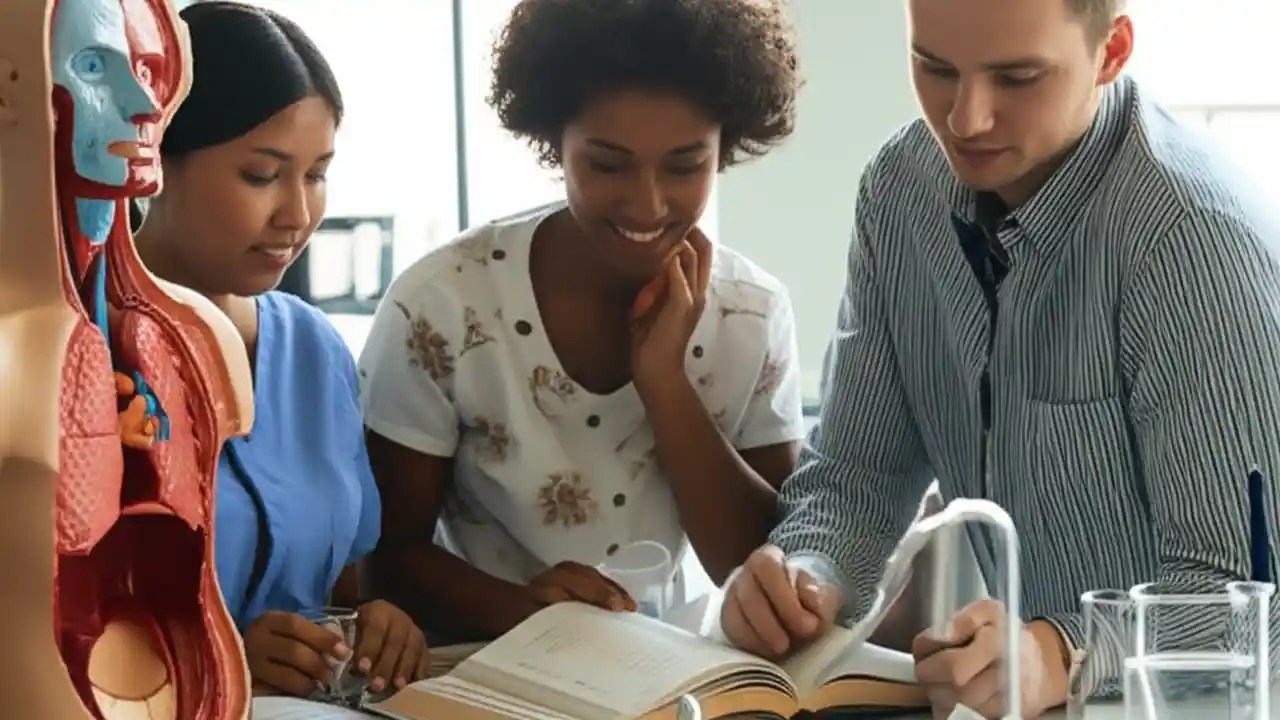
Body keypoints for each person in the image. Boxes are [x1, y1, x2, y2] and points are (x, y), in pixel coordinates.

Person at [719, 0, 1280, 717]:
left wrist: (1060, 653)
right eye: (935, 68)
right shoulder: (899, 193)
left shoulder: (1192, 240)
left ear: (1112, 50)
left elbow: (1251, 595)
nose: (965, 119)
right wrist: (807, 576)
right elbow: (856, 480)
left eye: (1016, 78)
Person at [358, 0, 805, 642]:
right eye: (607, 163)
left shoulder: (750, 316)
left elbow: (764, 569)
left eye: (684, 165)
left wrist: (664, 381)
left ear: (725, 147)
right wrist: (534, 618)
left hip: (662, 676)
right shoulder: (443, 304)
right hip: (481, 664)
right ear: (553, 139)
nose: (647, 203)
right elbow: (385, 559)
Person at [133, 1, 428, 699]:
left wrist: (376, 624)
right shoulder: (75, 353)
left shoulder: (314, 350)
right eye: (262, 176)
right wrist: (215, 656)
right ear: (157, 159)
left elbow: (342, 582)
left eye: (317, 173)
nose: (298, 215)